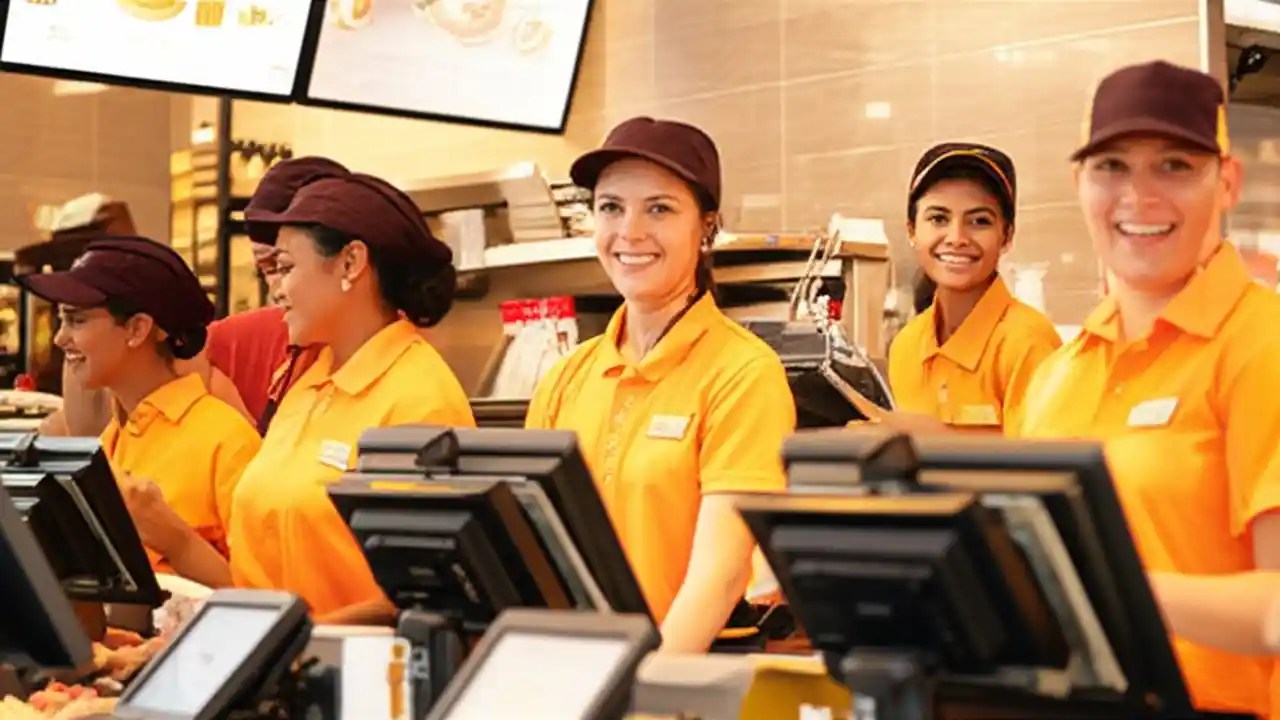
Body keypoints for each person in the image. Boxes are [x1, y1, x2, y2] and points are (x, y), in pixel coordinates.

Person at [1012, 60, 1280, 717]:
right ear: (1078, 183)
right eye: (1111, 167)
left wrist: (1106, 592)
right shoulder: (1058, 372)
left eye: (1174, 165)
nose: (1139, 197)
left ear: (1227, 183)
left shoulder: (1263, 346)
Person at [147, 159, 476, 624]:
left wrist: (285, 644)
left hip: (361, 678)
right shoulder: (306, 384)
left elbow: (424, 595)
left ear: (351, 263)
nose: (276, 290)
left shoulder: (420, 398)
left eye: (285, 267)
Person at [525, 117, 796, 654]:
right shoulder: (565, 378)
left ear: (707, 227)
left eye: (659, 208)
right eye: (610, 207)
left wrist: (643, 695)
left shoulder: (743, 373)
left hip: (686, 678)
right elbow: (535, 554)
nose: (630, 231)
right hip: (581, 667)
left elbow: (718, 577)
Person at [15, 237, 261, 588]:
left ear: (137, 329)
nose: (59, 338)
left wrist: (177, 542)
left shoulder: (227, 442)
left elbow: (264, 603)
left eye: (77, 320)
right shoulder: (114, 438)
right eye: (61, 320)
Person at [886, 143, 1061, 432]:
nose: (956, 238)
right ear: (912, 231)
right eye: (938, 218)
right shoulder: (907, 346)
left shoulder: (1027, 344)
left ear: (1007, 236)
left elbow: (1044, 471)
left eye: (979, 221)